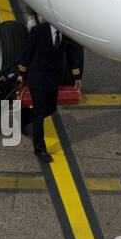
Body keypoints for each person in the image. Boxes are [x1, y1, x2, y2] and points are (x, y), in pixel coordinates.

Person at [16, 20, 83, 163]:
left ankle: (25, 116)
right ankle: (40, 148)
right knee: (40, 113)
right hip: (37, 78)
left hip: (53, 79)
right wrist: (21, 72)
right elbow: (27, 52)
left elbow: (71, 53)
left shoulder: (65, 32)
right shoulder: (38, 31)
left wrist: (76, 76)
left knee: (51, 108)